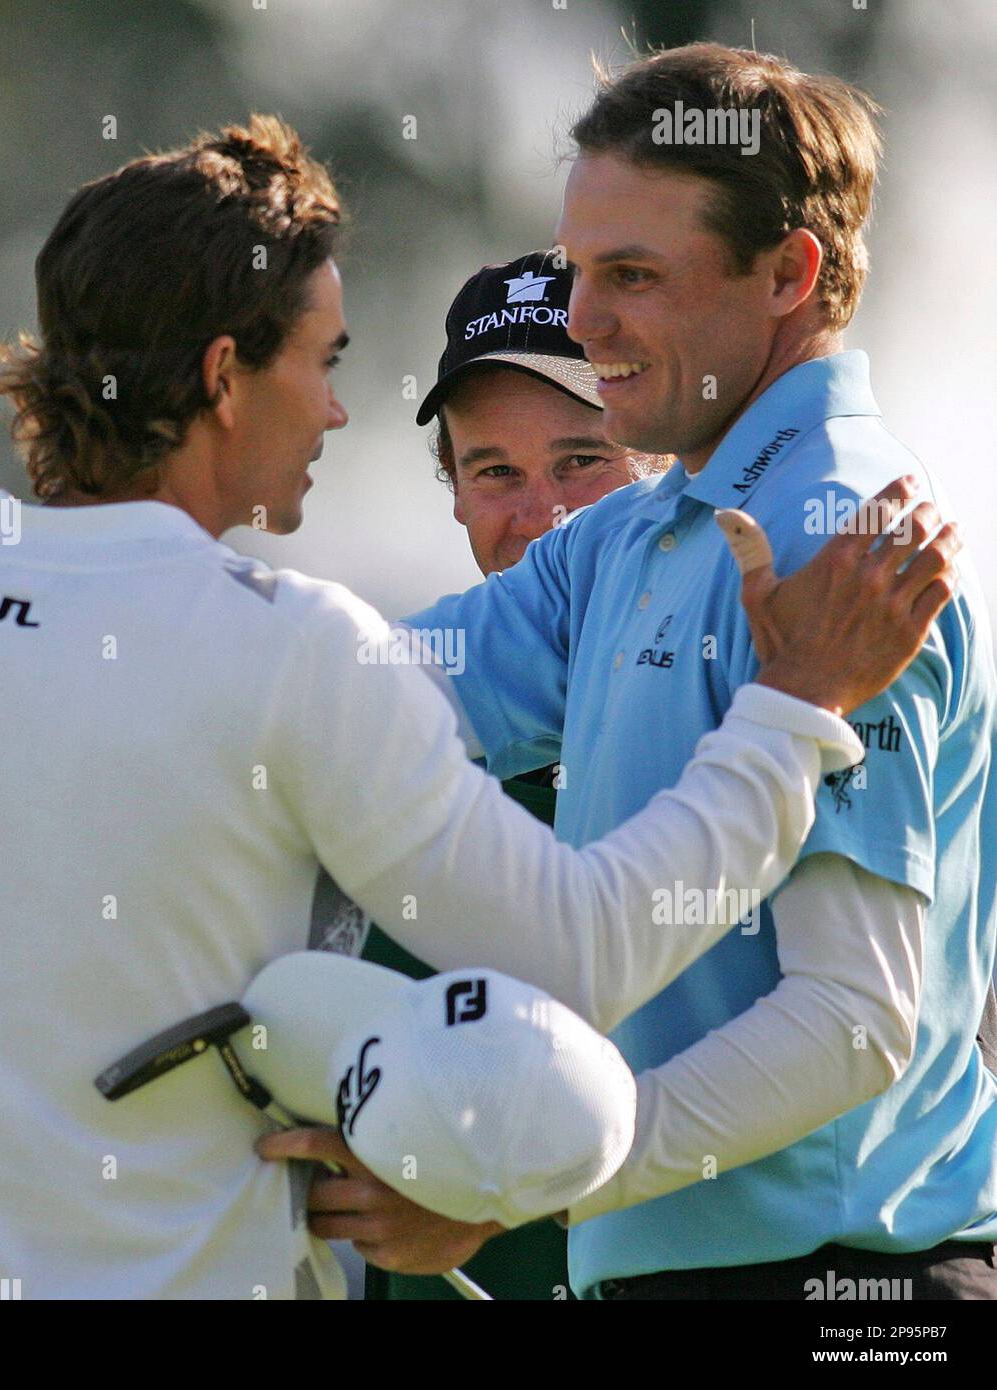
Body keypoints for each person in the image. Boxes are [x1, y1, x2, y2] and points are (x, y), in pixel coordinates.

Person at [0, 115, 955, 1300]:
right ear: (223, 378)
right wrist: (793, 704)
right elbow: (582, 947)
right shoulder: (294, 648)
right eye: (323, 362)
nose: (336, 413)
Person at [303, 43, 997, 1300]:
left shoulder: (839, 537)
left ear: (788, 273)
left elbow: (850, 1022)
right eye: (576, 271)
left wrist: (527, 1176)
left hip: (846, 1290)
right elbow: (339, 701)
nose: (582, 321)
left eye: (631, 275)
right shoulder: (635, 531)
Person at [361, 250, 669, 1299]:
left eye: (583, 458)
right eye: (493, 471)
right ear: (450, 494)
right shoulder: (371, 749)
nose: (542, 517)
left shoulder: (762, 711)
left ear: (661, 475)